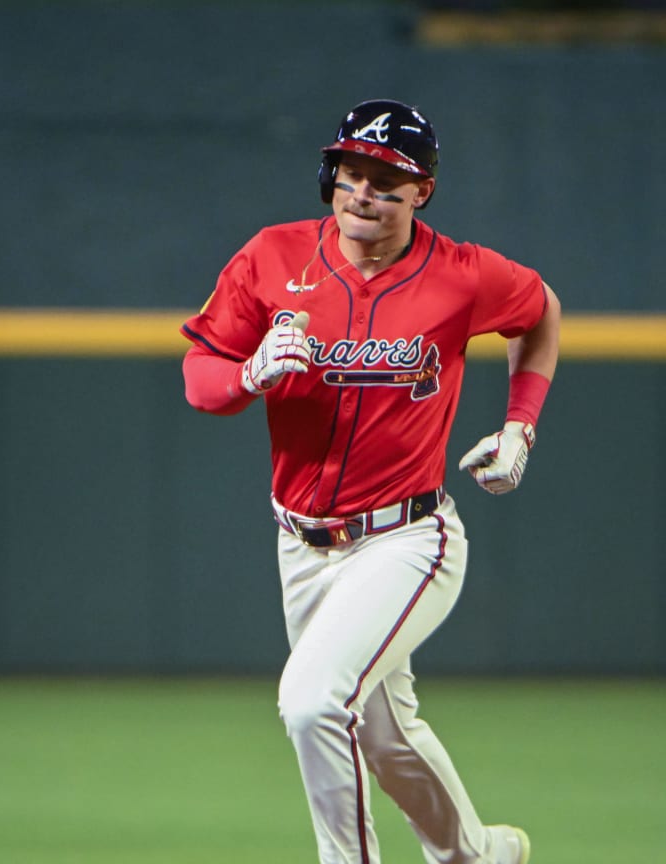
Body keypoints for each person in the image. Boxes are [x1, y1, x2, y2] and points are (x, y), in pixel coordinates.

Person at [179, 98, 560, 864]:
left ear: (422, 192)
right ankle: (477, 856)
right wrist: (248, 374)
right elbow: (200, 375)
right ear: (331, 175)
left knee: (313, 702)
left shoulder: (461, 274)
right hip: (302, 545)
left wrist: (521, 426)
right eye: (354, 172)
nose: (366, 193)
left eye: (389, 180)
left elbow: (540, 310)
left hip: (407, 538)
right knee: (385, 736)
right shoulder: (272, 257)